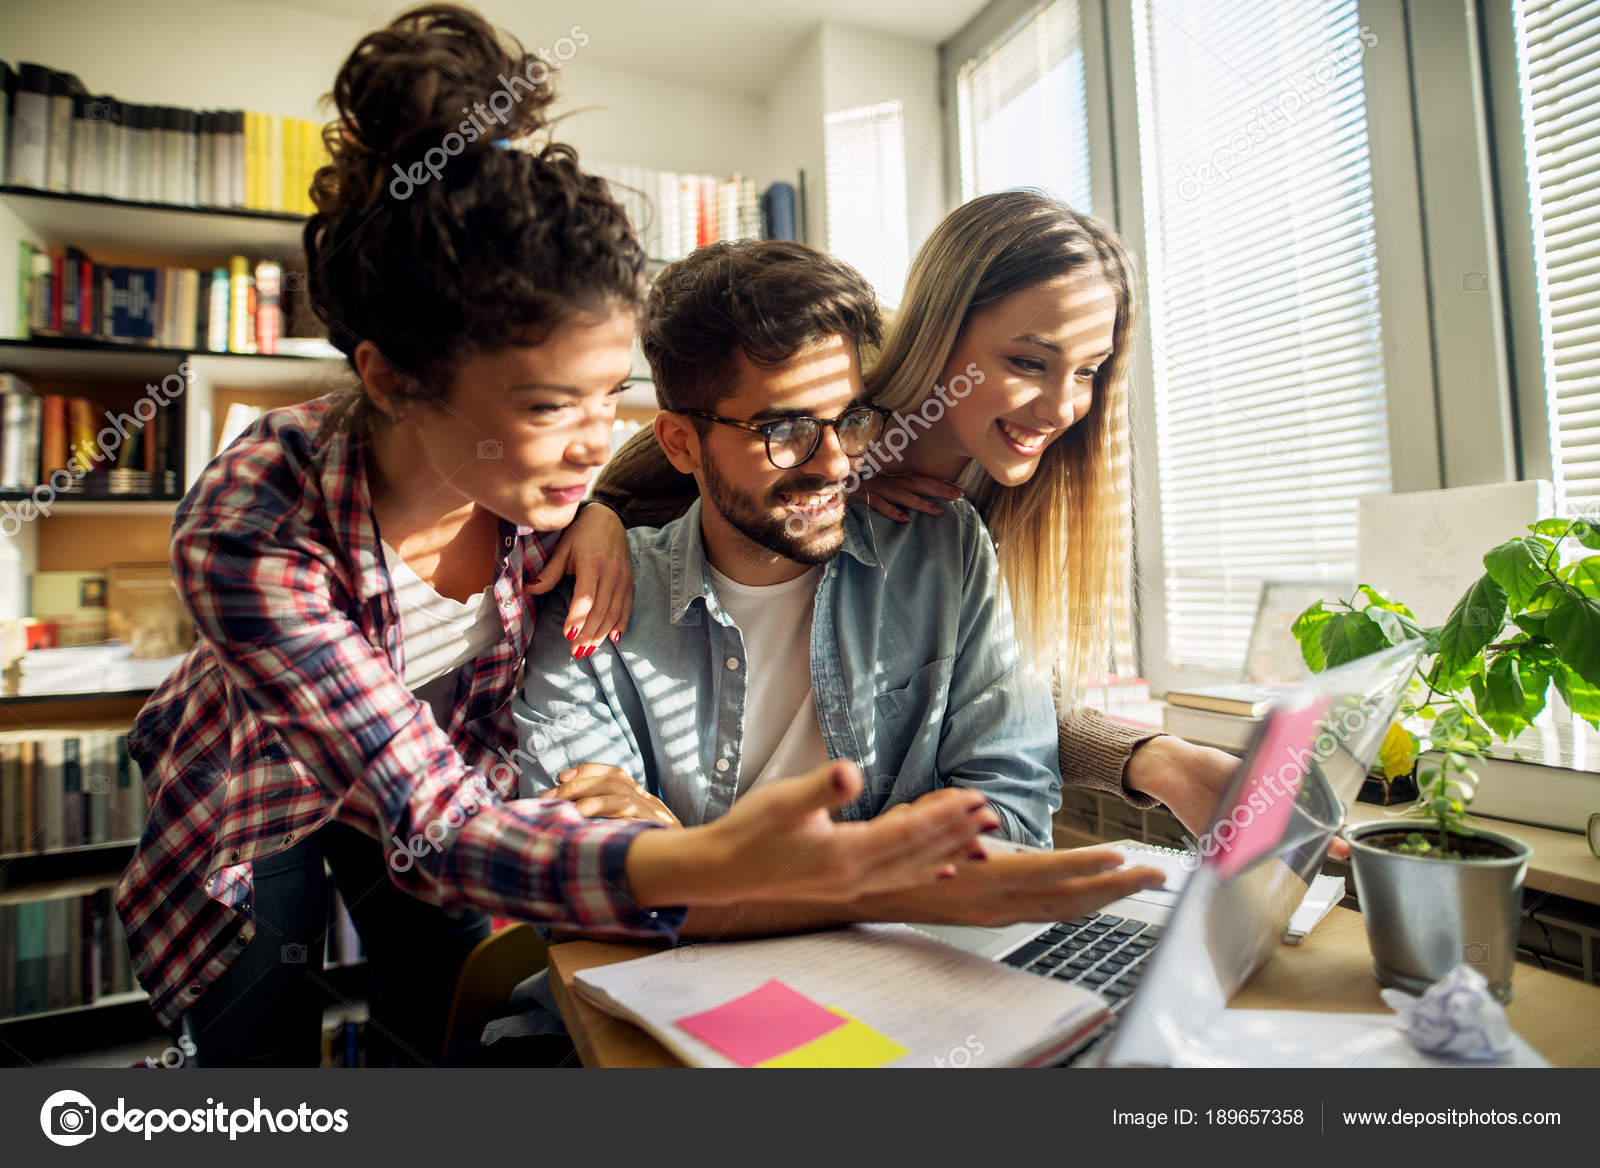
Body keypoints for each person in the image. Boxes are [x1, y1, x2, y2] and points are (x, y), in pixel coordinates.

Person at [112, 4, 998, 1068]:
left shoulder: (552, 502)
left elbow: (713, 459)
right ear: (393, 376)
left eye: (605, 397)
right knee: (257, 1054)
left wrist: (612, 511)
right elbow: (434, 822)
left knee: (433, 1021)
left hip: (443, 787)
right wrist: (705, 863)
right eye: (545, 407)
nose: (589, 445)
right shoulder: (254, 517)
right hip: (262, 798)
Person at [517, 238, 1166, 938]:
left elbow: (1011, 813)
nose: (835, 465)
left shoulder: (943, 548)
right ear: (679, 445)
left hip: (900, 982)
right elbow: (591, 882)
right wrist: (874, 878)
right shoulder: (592, 595)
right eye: (785, 429)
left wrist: (697, 873)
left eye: (851, 420)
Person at [593, 192, 1238, 838]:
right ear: (940, 334)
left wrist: (1155, 759)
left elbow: (1009, 713)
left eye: (1088, 372)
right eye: (1028, 362)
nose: (1060, 407)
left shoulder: (1004, 504)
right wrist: (594, 521)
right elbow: (664, 458)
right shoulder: (840, 376)